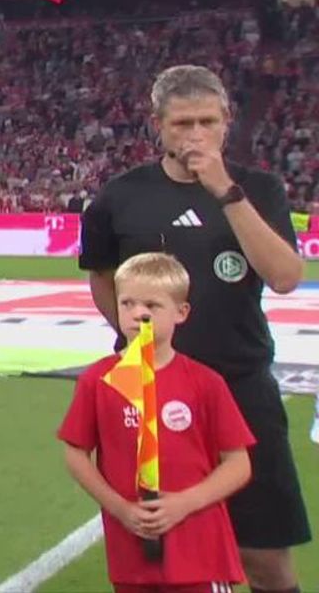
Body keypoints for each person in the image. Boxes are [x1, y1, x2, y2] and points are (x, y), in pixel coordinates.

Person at [81, 65, 309, 593]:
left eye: (207, 121)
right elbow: (101, 277)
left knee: (265, 558)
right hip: (151, 392)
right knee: (162, 557)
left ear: (227, 123)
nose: (195, 135)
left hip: (240, 384)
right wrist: (134, 341)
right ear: (157, 125)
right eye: (182, 123)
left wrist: (224, 190)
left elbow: (284, 277)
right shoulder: (121, 196)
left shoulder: (259, 189)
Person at [59, 252, 254, 593]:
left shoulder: (205, 382)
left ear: (181, 312)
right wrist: (120, 508)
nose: (138, 314)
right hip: (131, 553)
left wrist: (184, 503)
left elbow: (239, 463)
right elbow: (76, 453)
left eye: (152, 304)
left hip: (199, 552)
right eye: (128, 303)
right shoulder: (99, 379)